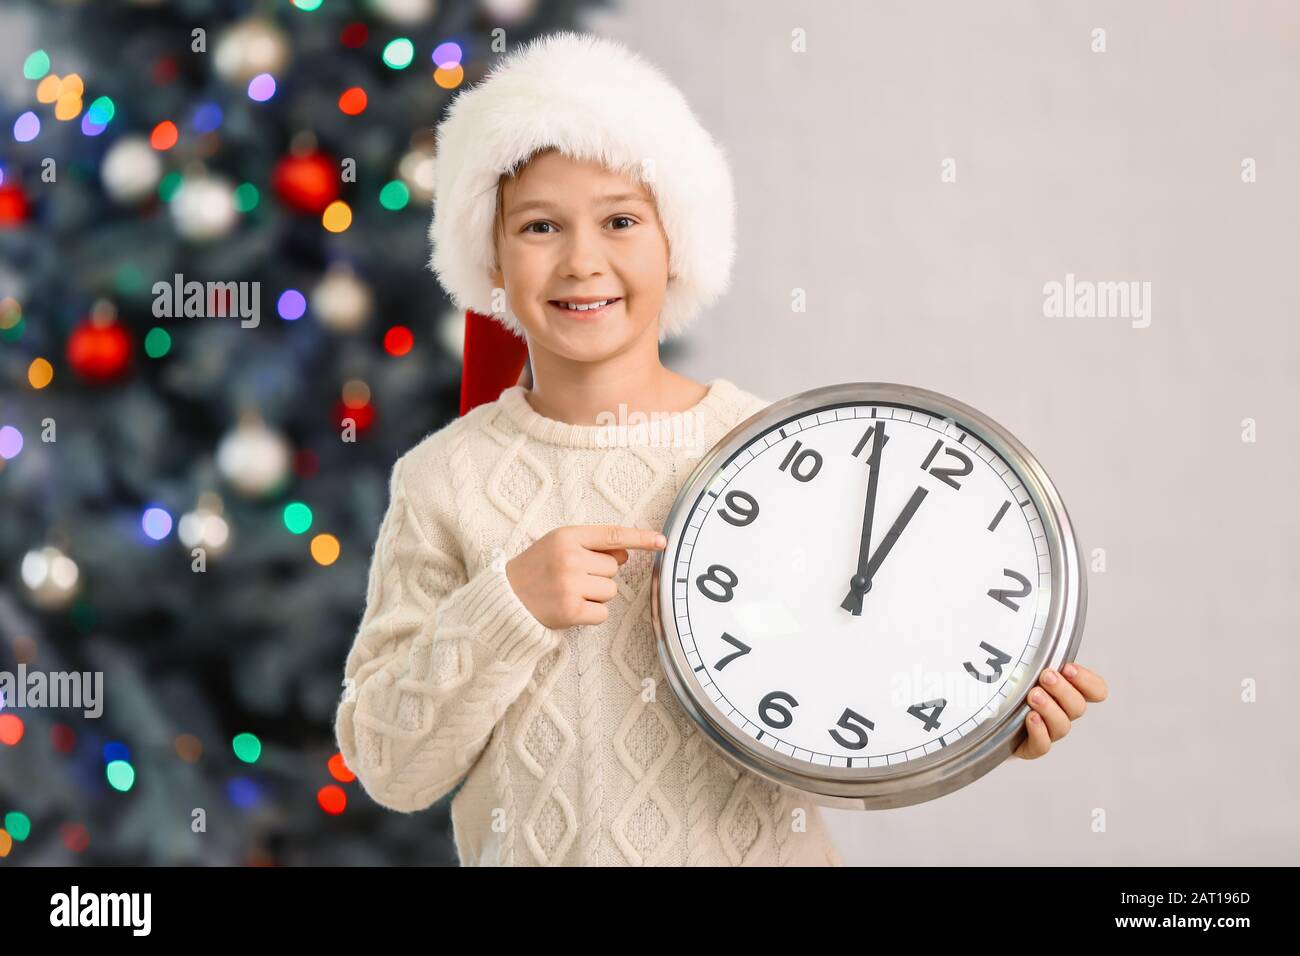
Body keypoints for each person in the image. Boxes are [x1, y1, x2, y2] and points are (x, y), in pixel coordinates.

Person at [334, 31, 1106, 867]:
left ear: (678, 246)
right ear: (489, 254)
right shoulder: (446, 479)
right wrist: (508, 605)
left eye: (622, 221)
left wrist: (983, 726)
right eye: (540, 226)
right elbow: (390, 769)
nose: (582, 261)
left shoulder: (775, 451)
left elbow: (849, 682)